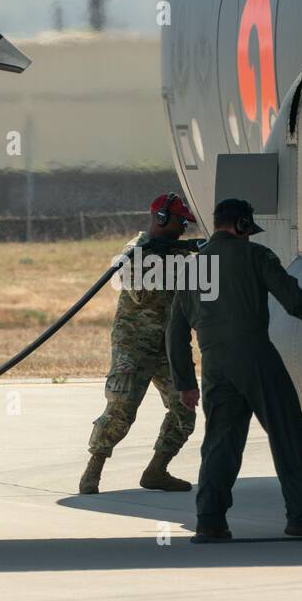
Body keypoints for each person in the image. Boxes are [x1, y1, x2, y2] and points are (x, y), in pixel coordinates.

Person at [167, 199, 302, 542]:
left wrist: (185, 383)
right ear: (242, 225)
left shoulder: (190, 269)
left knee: (220, 443)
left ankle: (210, 522)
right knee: (287, 433)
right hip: (255, 355)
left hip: (214, 365)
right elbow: (296, 303)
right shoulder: (256, 255)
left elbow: (175, 332)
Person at [79, 193, 201, 495]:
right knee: (121, 408)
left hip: (167, 346)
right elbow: (140, 290)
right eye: (180, 221)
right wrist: (165, 257)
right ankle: (93, 469)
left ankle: (157, 470)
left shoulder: (182, 255)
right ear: (160, 218)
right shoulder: (135, 252)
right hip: (134, 345)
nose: (185, 227)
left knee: (184, 409)